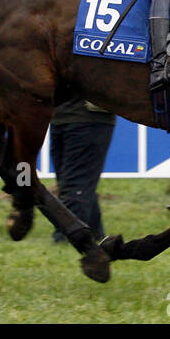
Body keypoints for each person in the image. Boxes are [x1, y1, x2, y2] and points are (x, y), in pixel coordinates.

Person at [49, 99, 116, 244]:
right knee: (74, 184)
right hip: (61, 118)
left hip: (87, 119)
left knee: (75, 185)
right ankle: (94, 234)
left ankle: (68, 238)